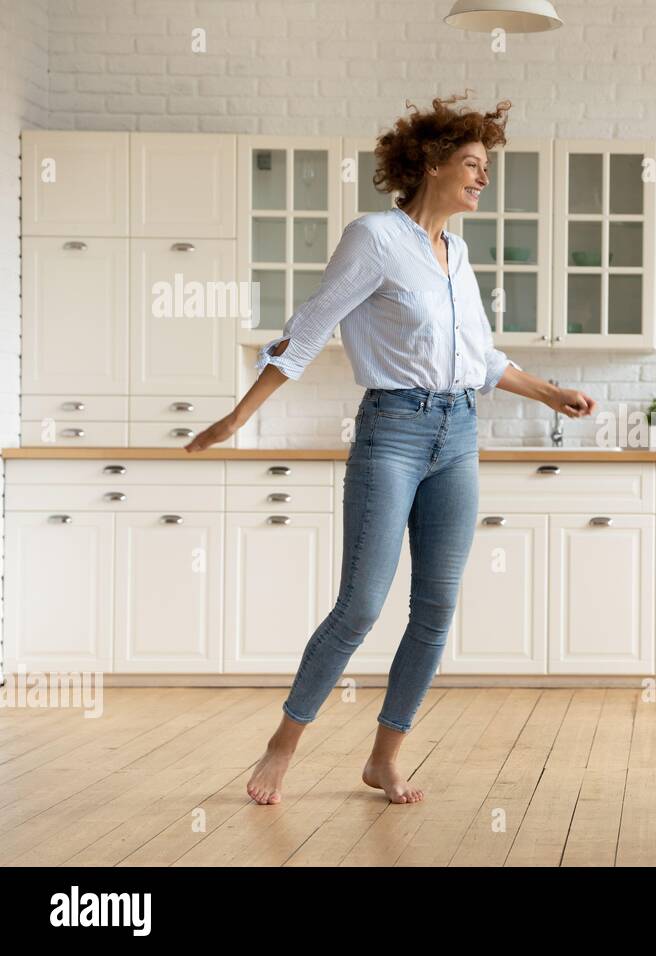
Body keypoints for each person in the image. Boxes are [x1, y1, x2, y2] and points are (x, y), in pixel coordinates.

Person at [185, 93, 597, 805]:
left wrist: (549, 391)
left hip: (458, 434)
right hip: (393, 434)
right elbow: (309, 329)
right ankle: (283, 746)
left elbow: (481, 358)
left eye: (485, 167)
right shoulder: (374, 238)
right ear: (432, 164)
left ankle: (385, 757)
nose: (483, 178)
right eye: (472, 164)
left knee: (436, 607)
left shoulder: (457, 253)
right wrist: (237, 415)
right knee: (360, 605)